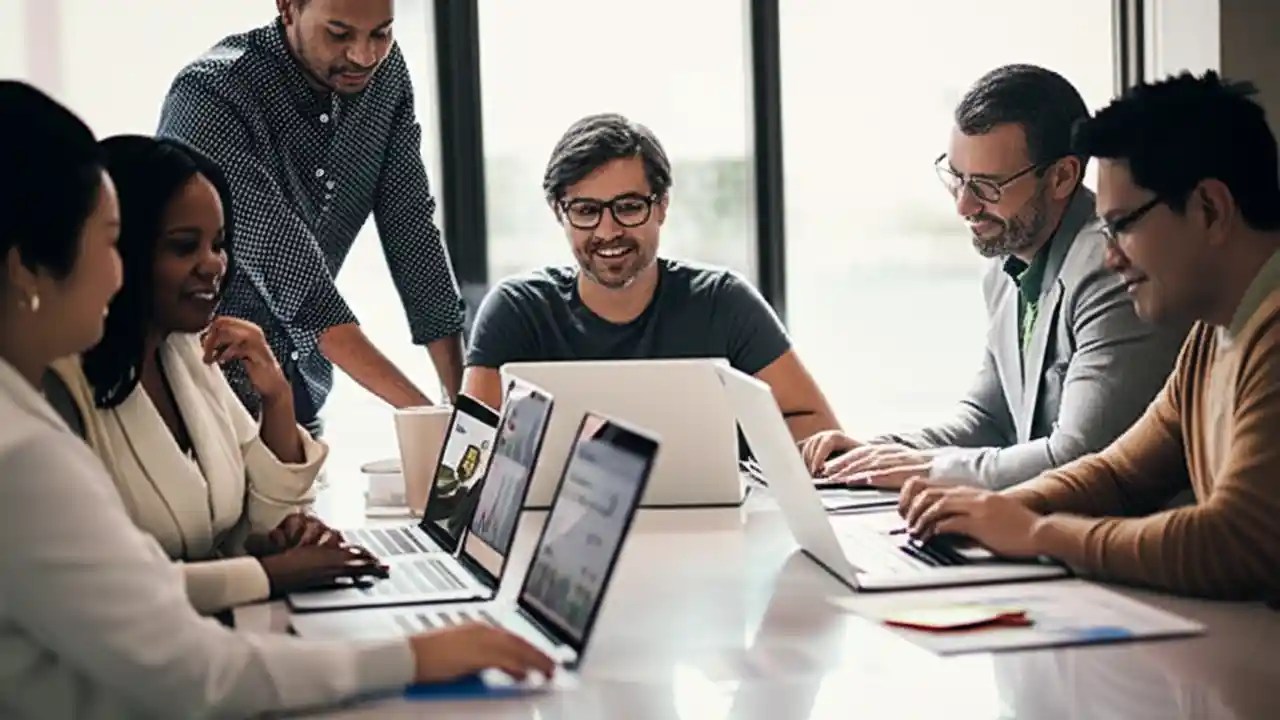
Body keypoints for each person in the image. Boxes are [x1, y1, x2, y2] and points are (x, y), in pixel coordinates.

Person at [0, 80, 552, 719]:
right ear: (26, 268)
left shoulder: (160, 364)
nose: (117, 271)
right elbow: (195, 672)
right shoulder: (27, 452)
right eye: (109, 241)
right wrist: (418, 656)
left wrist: (277, 431)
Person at [900, 71, 1280, 601]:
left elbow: (1234, 541)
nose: (1110, 255)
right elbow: (1119, 472)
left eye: (1122, 225)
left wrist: (1038, 533)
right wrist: (999, 511)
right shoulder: (1209, 341)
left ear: (1210, 210)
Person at [800, 64, 1185, 489]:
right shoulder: (1006, 264)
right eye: (956, 179)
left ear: (1062, 177)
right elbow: (988, 418)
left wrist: (930, 470)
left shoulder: (1110, 268)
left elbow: (1078, 457)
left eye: (986, 186)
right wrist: (877, 452)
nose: (963, 206)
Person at [46, 135, 384, 614]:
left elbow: (260, 524)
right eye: (185, 247)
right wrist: (268, 573)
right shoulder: (60, 385)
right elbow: (99, 592)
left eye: (220, 244)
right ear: (120, 250)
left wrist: (278, 400)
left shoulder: (186, 353)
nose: (214, 265)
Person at [156, 0, 465, 437]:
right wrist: (437, 425)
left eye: (382, 32)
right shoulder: (212, 96)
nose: (364, 56)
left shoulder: (385, 76)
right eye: (339, 35)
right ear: (287, 7)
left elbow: (411, 227)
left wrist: (464, 407)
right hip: (199, 396)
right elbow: (298, 283)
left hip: (300, 391)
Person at [463, 112, 840, 441]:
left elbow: (819, 426)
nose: (608, 231)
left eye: (628, 208)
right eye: (586, 210)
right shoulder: (517, 310)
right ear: (559, 213)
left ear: (661, 206)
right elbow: (469, 462)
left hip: (716, 518)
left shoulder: (723, 303)